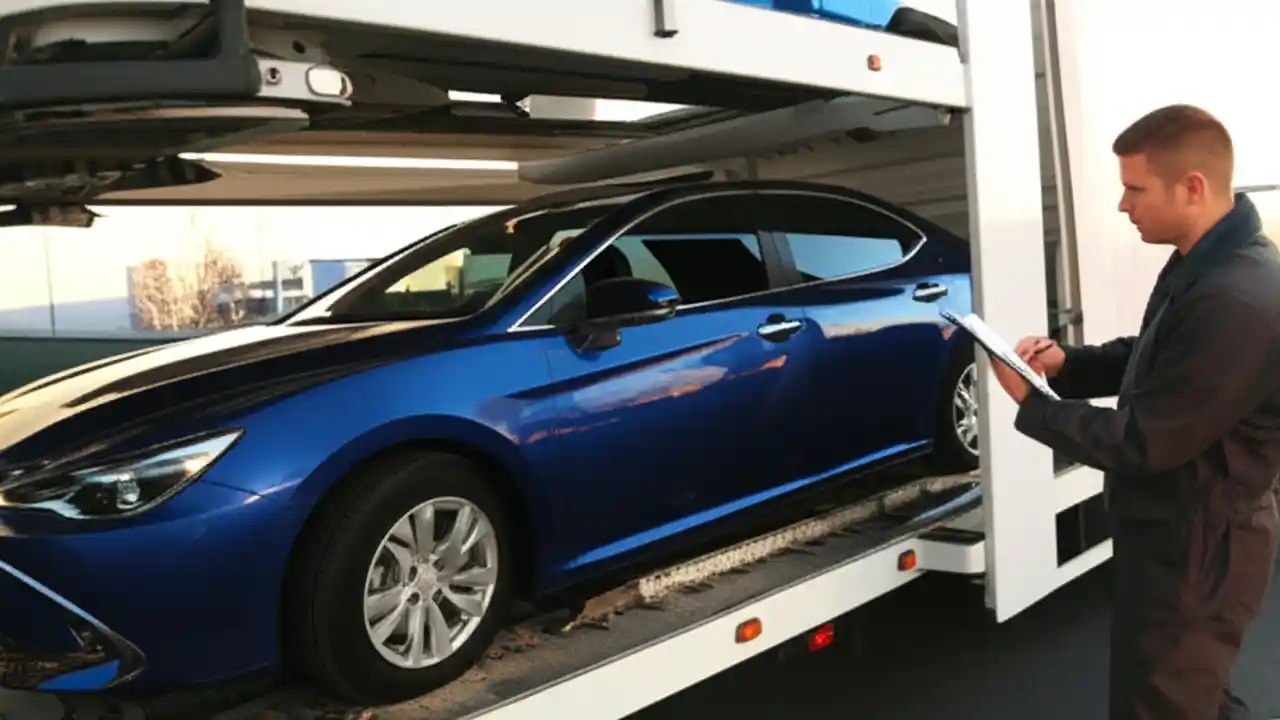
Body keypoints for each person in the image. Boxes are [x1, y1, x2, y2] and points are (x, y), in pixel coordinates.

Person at [990, 104, 1280, 720]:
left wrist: (1033, 407)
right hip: (1185, 533)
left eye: (1134, 188)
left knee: (1163, 703)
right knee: (1184, 695)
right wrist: (1066, 365)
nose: (1124, 205)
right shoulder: (1207, 266)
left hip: (1200, 546)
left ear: (1193, 188)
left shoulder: (1237, 296)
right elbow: (1156, 359)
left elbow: (1148, 441)